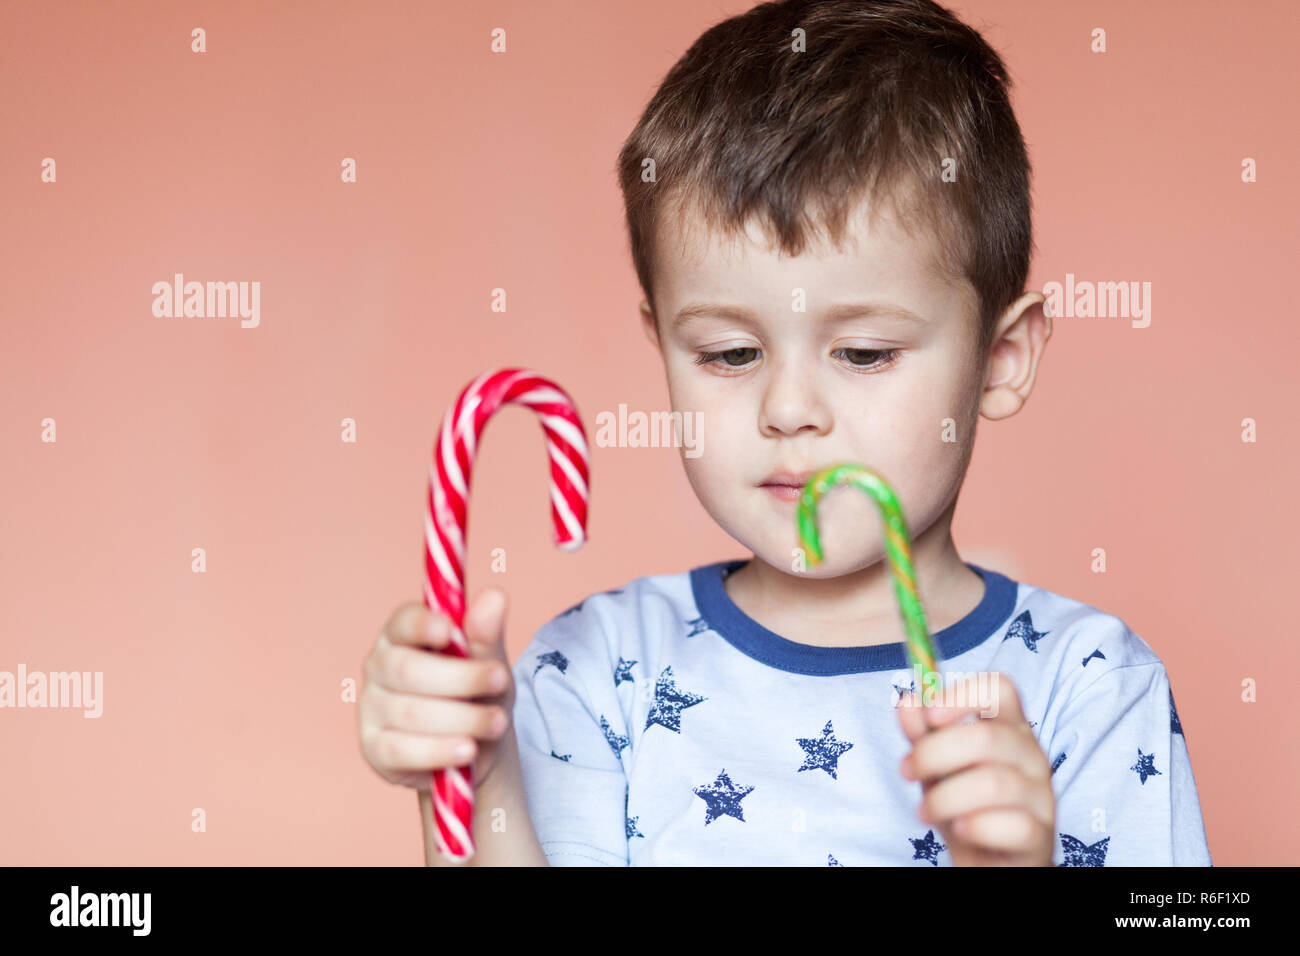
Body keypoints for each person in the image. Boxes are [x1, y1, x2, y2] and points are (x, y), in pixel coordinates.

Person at [358, 0, 1212, 867]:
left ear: (1000, 360)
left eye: (865, 352)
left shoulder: (1093, 686)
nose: (788, 408)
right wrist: (474, 773)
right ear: (662, 345)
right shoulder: (595, 672)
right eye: (730, 353)